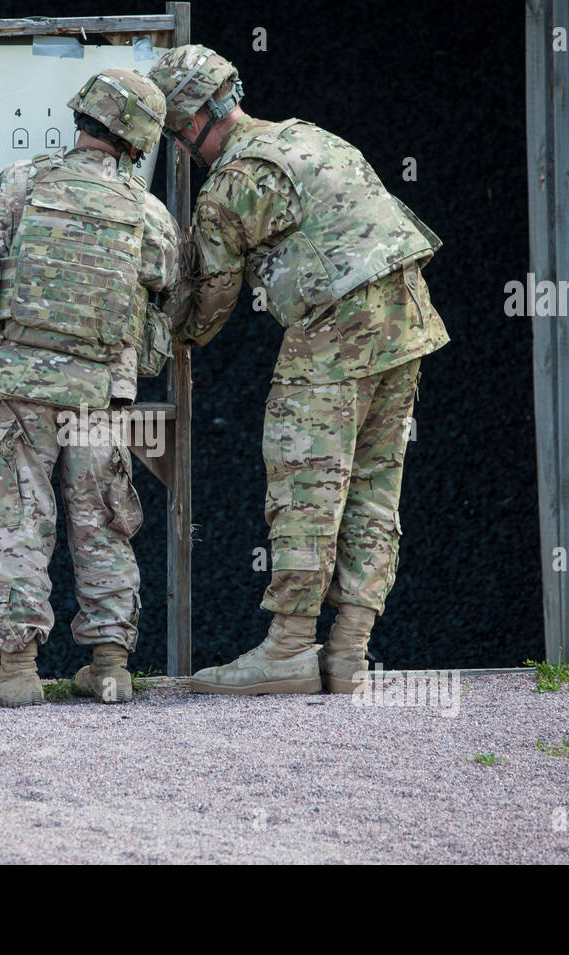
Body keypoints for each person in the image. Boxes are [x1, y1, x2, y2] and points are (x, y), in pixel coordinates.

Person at [147, 45, 450, 695]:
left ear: (196, 119)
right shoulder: (312, 137)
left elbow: (213, 302)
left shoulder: (230, 184)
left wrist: (165, 339)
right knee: (373, 485)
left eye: (176, 132)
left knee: (305, 482)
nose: (178, 145)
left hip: (336, 328)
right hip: (406, 319)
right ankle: (347, 655)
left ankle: (288, 647)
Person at [0, 68, 184, 707]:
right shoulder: (147, 212)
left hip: (18, 387)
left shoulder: (19, 184)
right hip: (100, 393)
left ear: (82, 119)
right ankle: (109, 666)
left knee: (18, 515)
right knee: (101, 517)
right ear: (138, 142)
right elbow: (166, 294)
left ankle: (18, 671)